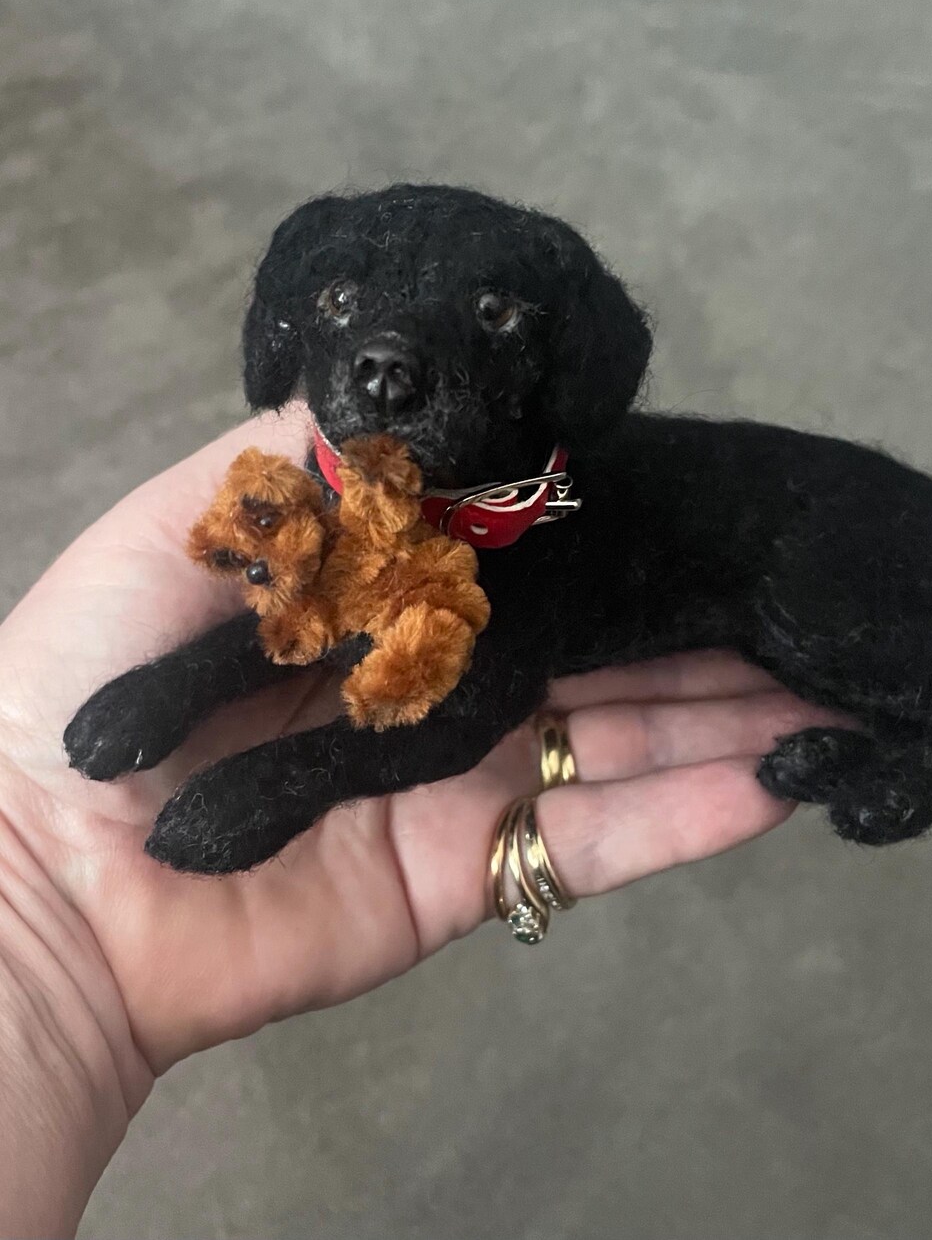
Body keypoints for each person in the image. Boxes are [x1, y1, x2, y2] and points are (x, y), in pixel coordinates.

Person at [0, 407, 841, 1237]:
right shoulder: (322, 502)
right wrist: (33, 844)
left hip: (473, 608)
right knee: (303, 620)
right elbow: (292, 621)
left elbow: (448, 683)